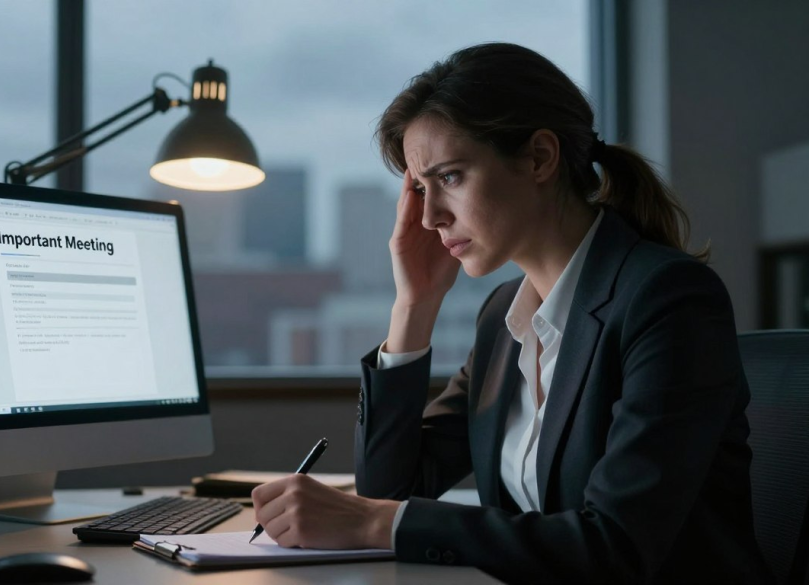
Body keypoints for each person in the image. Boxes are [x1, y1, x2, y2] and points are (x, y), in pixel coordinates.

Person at [250, 43, 772, 583]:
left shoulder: (668, 300)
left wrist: (375, 524)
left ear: (540, 157)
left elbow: (616, 547)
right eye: (420, 189)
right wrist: (416, 304)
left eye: (450, 178)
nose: (429, 216)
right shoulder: (505, 317)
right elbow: (391, 487)